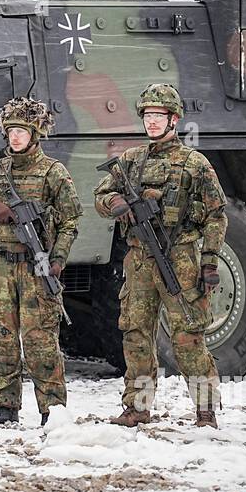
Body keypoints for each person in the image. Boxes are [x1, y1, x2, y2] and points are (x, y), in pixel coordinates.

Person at [93, 83, 227, 429]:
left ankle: (206, 409)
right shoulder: (130, 161)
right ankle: (137, 407)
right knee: (136, 333)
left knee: (187, 336)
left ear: (174, 119)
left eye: (159, 116)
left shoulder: (194, 164)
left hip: (179, 259)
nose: (152, 122)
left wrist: (209, 261)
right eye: (148, 116)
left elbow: (216, 214)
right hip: (138, 259)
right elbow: (101, 194)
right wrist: (116, 203)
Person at [0, 97, 80, 426]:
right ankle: (4, 405)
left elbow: (71, 221)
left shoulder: (53, 173)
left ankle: (52, 407)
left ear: (34, 134)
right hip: (1, 264)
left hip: (35, 264)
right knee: (2, 336)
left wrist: (57, 259)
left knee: (40, 338)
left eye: (22, 131)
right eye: (11, 131)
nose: (15, 137)